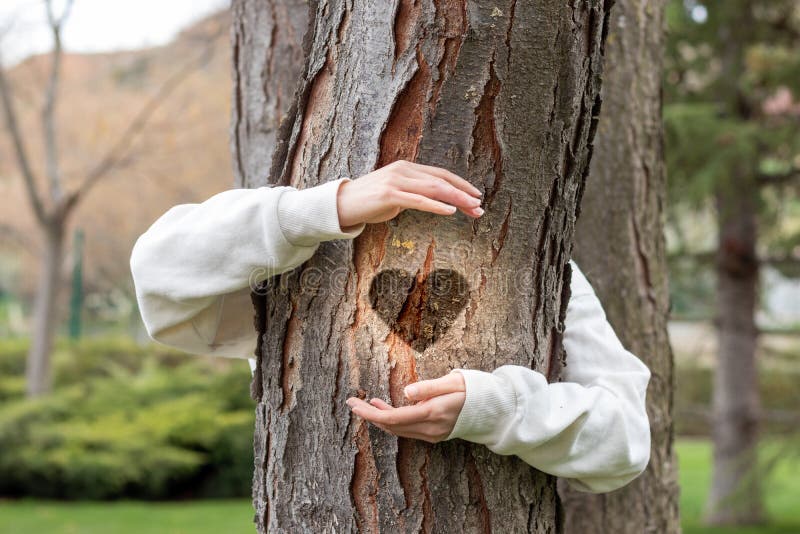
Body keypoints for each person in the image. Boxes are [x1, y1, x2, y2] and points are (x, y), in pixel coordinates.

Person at [130, 160, 651, 494]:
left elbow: (625, 442)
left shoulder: (545, 268)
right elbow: (157, 270)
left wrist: (495, 409)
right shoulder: (297, 248)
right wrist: (326, 206)